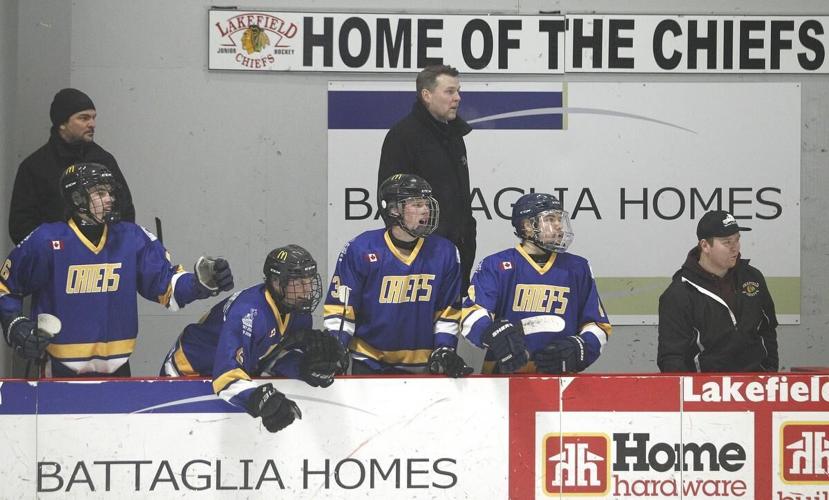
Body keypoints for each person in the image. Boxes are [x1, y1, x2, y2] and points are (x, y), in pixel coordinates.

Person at [0, 163, 232, 377]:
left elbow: (165, 284)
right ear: (77, 198)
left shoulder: (131, 238)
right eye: (100, 193)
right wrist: (15, 323)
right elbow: (6, 287)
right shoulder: (47, 240)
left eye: (110, 192)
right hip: (59, 371)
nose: (109, 199)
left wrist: (201, 282)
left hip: (118, 371)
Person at [161, 244, 348, 434]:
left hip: (225, 382)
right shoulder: (249, 312)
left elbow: (270, 357)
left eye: (309, 281)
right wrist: (260, 400)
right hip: (186, 373)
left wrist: (303, 367)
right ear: (277, 282)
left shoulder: (299, 313)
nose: (307, 290)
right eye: (299, 283)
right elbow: (227, 374)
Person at [324, 173, 472, 377]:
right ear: (394, 210)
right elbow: (341, 309)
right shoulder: (360, 249)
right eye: (417, 204)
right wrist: (336, 348)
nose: (426, 209)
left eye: (426, 203)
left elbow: (447, 312)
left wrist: (444, 348)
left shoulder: (445, 252)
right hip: (369, 364)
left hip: (425, 366)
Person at [461, 192, 611, 374]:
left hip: (560, 378)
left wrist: (581, 347)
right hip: (503, 376)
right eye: (550, 219)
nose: (559, 225)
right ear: (527, 226)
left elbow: (598, 325)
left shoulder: (578, 267)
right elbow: (472, 314)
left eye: (559, 219)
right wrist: (490, 333)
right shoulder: (496, 265)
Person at [378, 64, 476, 290]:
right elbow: (390, 199)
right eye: (449, 91)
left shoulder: (455, 136)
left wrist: (467, 237)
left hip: (458, 253)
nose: (458, 98)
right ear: (427, 95)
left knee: (452, 311)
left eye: (458, 91)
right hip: (421, 255)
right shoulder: (402, 136)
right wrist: (407, 248)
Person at [9, 88, 135, 244]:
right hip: (55, 255)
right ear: (62, 123)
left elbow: (125, 211)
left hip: (104, 254)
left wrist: (115, 247)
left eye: (93, 118)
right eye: (84, 118)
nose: (92, 124)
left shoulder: (104, 161)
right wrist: (56, 248)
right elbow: (21, 226)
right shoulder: (34, 167)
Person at [658, 210, 779, 372]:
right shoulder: (680, 293)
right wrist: (694, 387)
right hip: (706, 386)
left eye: (737, 240)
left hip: (755, 383)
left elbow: (768, 330)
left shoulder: (753, 277)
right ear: (705, 246)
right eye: (727, 242)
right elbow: (671, 357)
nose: (735, 248)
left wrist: (769, 372)